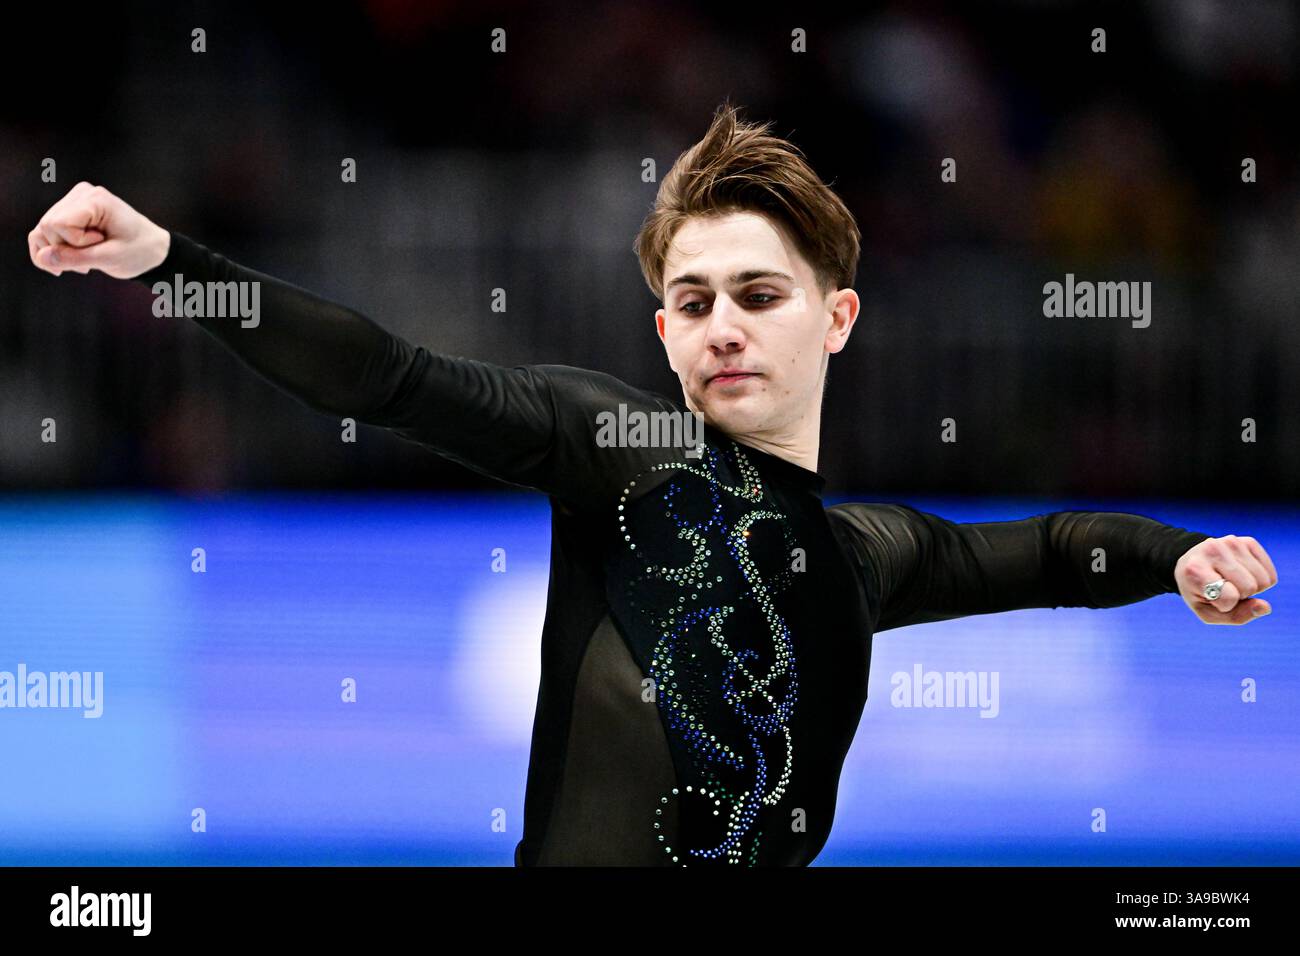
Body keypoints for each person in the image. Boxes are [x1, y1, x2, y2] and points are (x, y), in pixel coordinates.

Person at [27, 103, 1277, 866]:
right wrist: (166, 259)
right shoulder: (613, 448)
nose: (723, 324)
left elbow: (1052, 548)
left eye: (759, 294)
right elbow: (382, 375)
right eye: (693, 300)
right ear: (665, 335)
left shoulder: (865, 557)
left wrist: (1177, 554)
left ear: (837, 318)